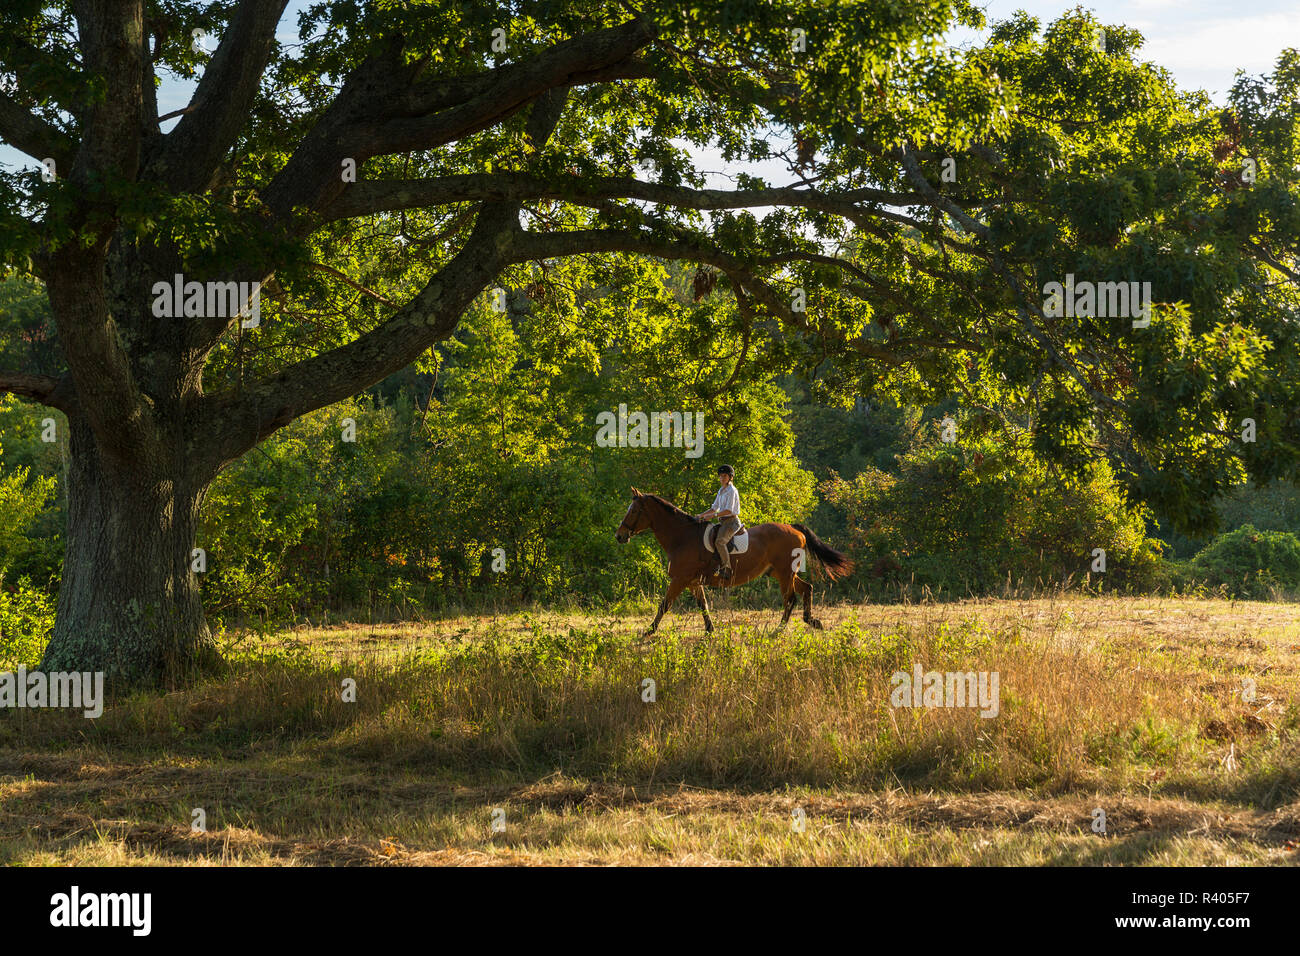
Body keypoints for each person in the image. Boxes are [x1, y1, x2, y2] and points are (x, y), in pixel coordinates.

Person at [697, 465, 742, 578]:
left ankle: (727, 568)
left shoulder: (732, 491)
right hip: (723, 522)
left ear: (730, 477)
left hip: (731, 522)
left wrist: (712, 516)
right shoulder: (721, 490)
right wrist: (701, 515)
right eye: (720, 476)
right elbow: (714, 507)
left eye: (725, 476)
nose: (722, 478)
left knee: (719, 542)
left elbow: (728, 510)